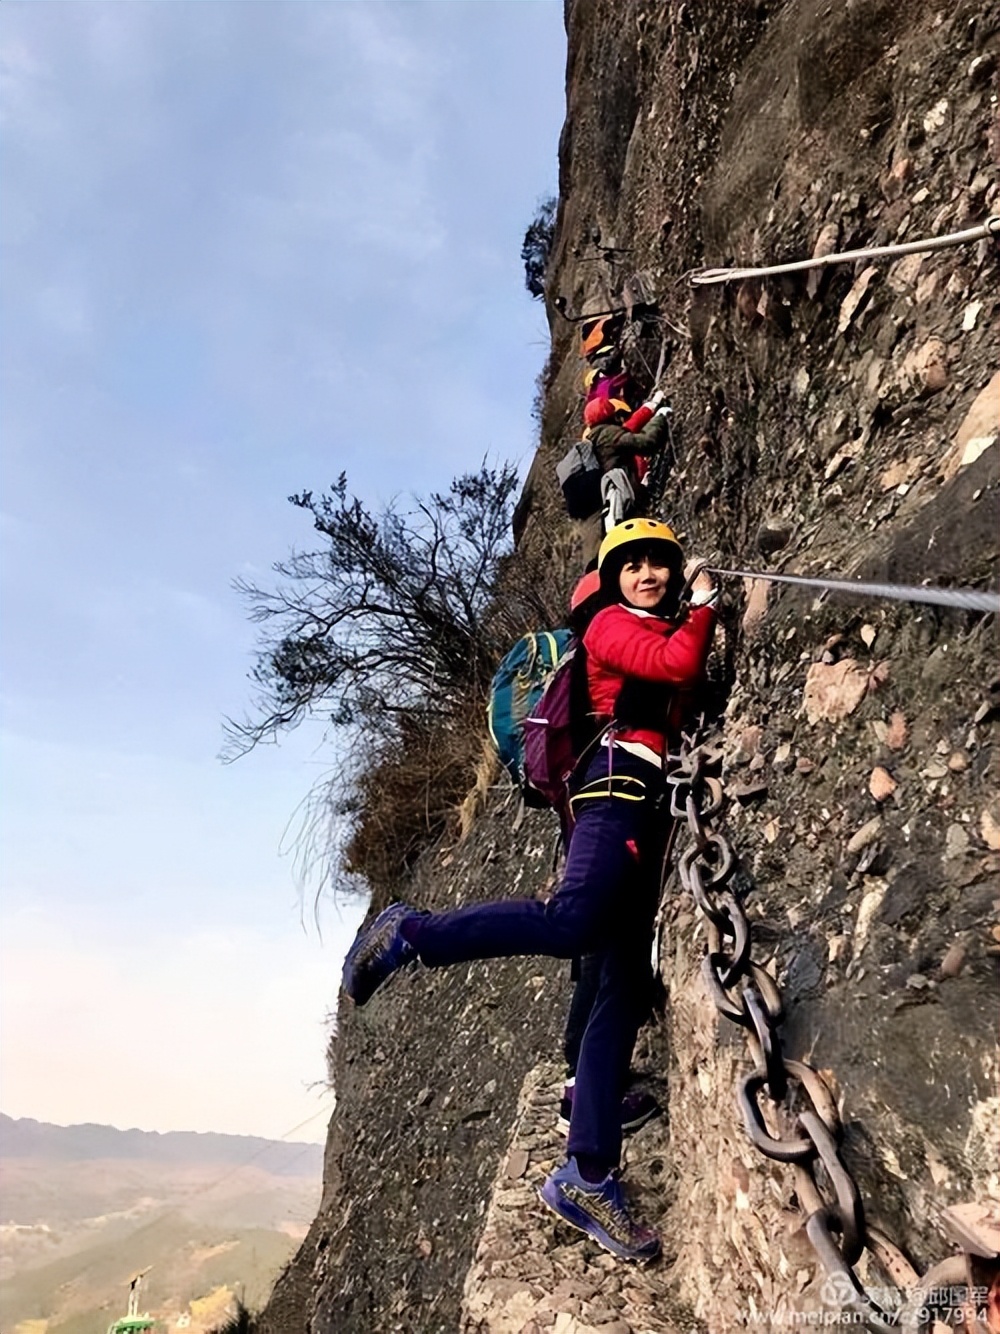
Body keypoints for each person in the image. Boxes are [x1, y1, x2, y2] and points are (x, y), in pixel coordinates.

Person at [341, 518, 718, 1262]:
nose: (650, 575)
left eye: (661, 566)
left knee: (618, 982)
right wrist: (704, 606)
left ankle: (586, 1172)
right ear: (613, 579)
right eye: (635, 565)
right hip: (613, 789)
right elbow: (675, 665)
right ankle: (412, 932)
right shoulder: (610, 625)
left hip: (643, 807)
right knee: (571, 922)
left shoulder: (639, 619)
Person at [583, 393, 673, 532]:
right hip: (627, 504)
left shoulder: (590, 444)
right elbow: (646, 443)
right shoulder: (608, 435)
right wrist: (660, 419)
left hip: (609, 514)